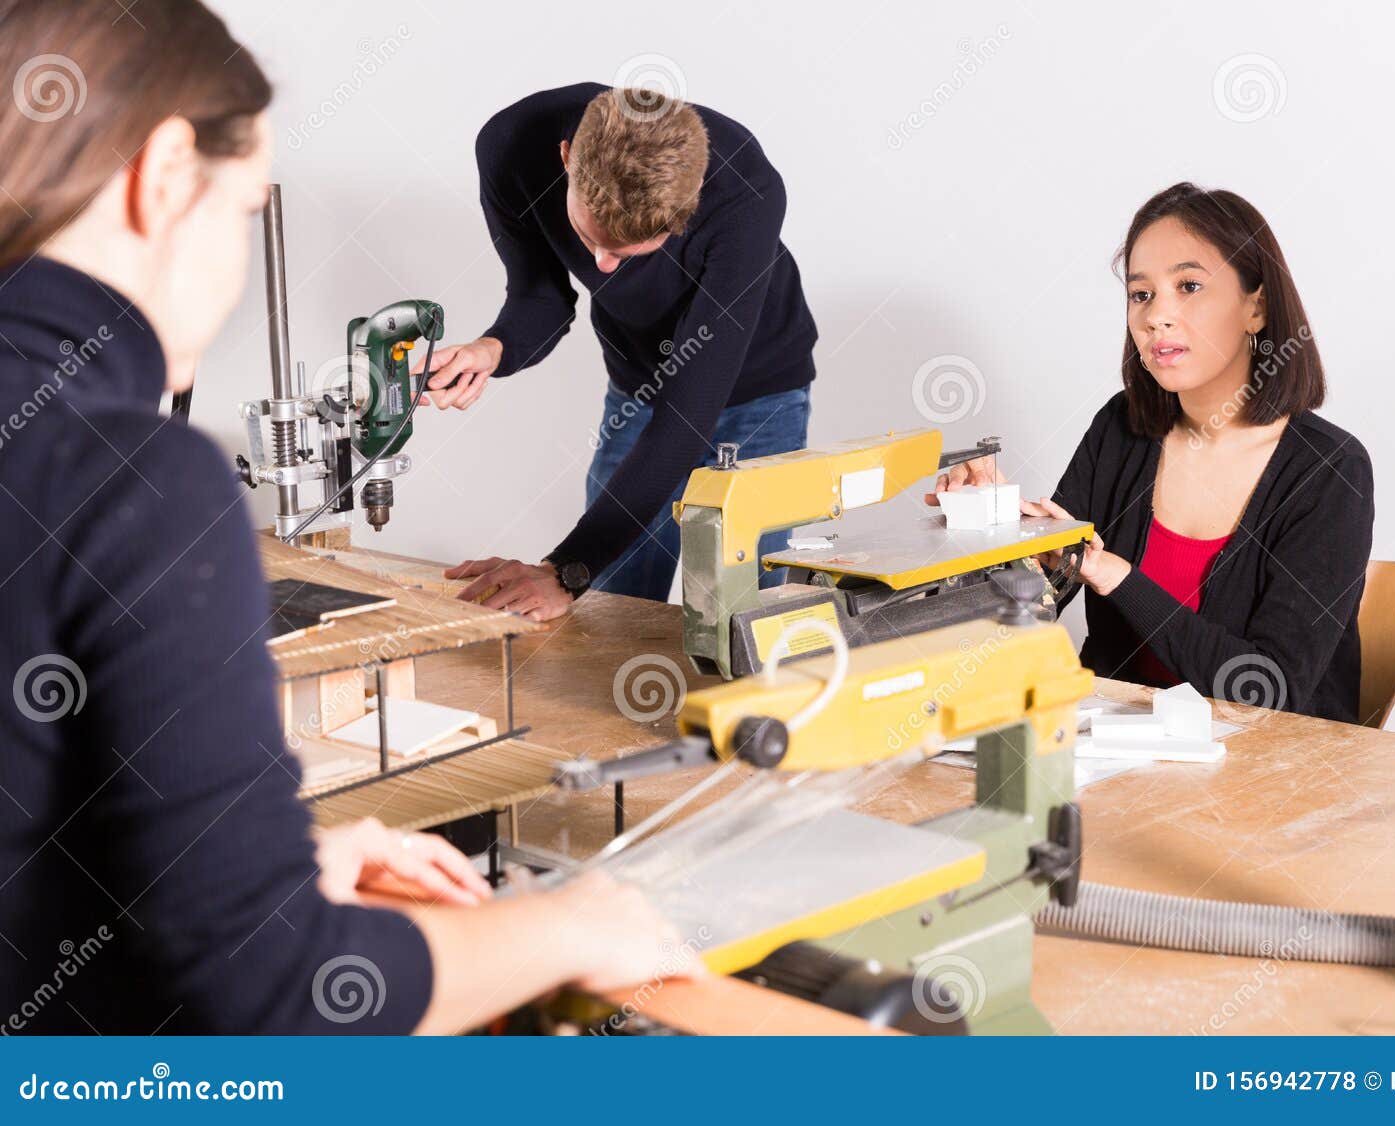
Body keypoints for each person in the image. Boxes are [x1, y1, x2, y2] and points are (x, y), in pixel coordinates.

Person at [0, 0, 696, 1036]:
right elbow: (279, 993)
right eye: (243, 215)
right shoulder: (137, 482)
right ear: (163, 176)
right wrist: (571, 924)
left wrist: (263, 862)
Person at [933, 183, 1373, 723]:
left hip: (1271, 776)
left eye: (1189, 286)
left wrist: (1116, 575)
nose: (1156, 316)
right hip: (1118, 761)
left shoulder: (1330, 472)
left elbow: (1267, 692)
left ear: (1255, 307)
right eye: (1141, 294)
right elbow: (1035, 606)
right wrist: (993, 528)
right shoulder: (1123, 429)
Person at [421, 83, 818, 619]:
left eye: (626, 250)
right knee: (612, 607)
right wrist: (494, 349)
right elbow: (542, 295)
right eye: (592, 241)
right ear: (566, 158)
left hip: (760, 389)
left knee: (748, 621)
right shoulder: (512, 144)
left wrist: (566, 570)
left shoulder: (747, 189)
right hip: (640, 387)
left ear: (693, 192)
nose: (604, 269)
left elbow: (690, 406)